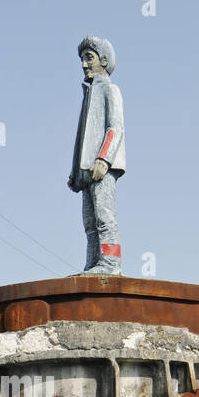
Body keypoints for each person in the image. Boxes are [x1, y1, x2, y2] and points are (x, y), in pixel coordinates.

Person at [68, 35, 125, 275]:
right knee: (89, 222)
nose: (84, 64)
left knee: (105, 216)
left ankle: (110, 263)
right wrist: (75, 172)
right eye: (82, 59)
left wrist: (104, 158)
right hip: (86, 170)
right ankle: (93, 262)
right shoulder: (88, 96)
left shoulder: (110, 90)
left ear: (103, 60)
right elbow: (82, 138)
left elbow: (115, 128)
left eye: (89, 58)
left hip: (102, 166)